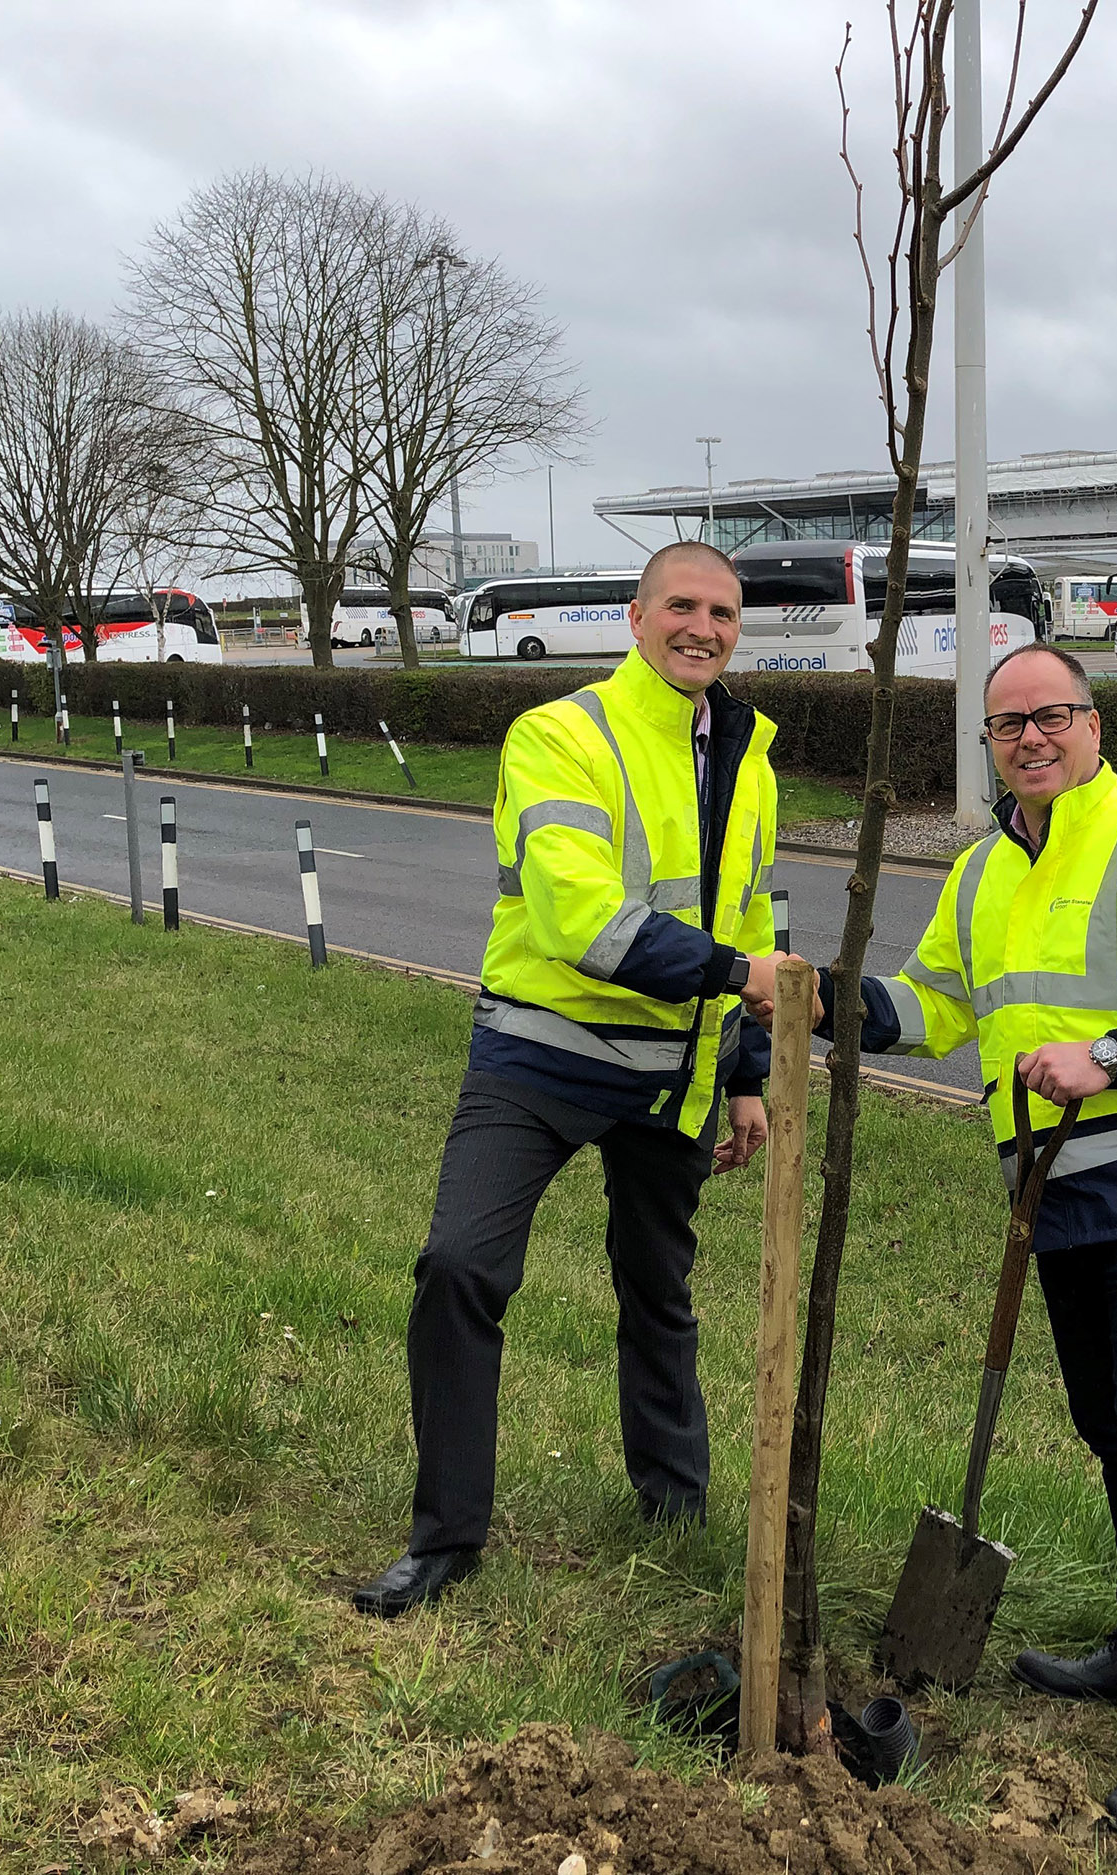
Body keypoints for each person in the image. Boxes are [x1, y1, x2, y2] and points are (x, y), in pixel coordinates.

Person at [822, 643, 1117, 1842]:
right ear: (988, 745)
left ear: (1091, 724)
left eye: (1051, 716)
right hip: (1056, 1197)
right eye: (1007, 725)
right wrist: (826, 1000)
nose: (1030, 738)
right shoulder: (980, 872)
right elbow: (936, 1004)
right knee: (1110, 1432)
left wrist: (1112, 1055)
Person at [354, 540, 799, 1619]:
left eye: (723, 613)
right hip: (540, 1057)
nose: (703, 628)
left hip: (674, 1075)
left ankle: (674, 1514)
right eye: (682, 606)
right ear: (636, 619)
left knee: (659, 1291)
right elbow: (579, 917)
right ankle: (445, 1538)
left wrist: (745, 1074)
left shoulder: (750, 755)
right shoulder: (560, 734)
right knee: (459, 1267)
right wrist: (734, 975)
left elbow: (748, 915)